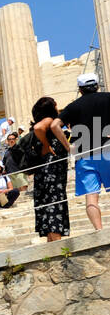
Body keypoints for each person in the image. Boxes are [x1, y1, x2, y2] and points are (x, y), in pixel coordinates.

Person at [55, 73, 110, 230]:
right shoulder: (108, 97)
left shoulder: (74, 106)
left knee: (91, 197)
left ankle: (99, 231)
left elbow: (55, 125)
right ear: (97, 86)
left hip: (84, 153)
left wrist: (68, 147)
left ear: (80, 89)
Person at [30, 96, 70, 242]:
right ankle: (58, 246)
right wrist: (47, 145)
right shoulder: (49, 120)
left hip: (44, 172)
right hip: (51, 170)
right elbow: (38, 128)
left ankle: (51, 244)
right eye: (54, 104)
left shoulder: (46, 122)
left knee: (48, 206)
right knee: (55, 205)